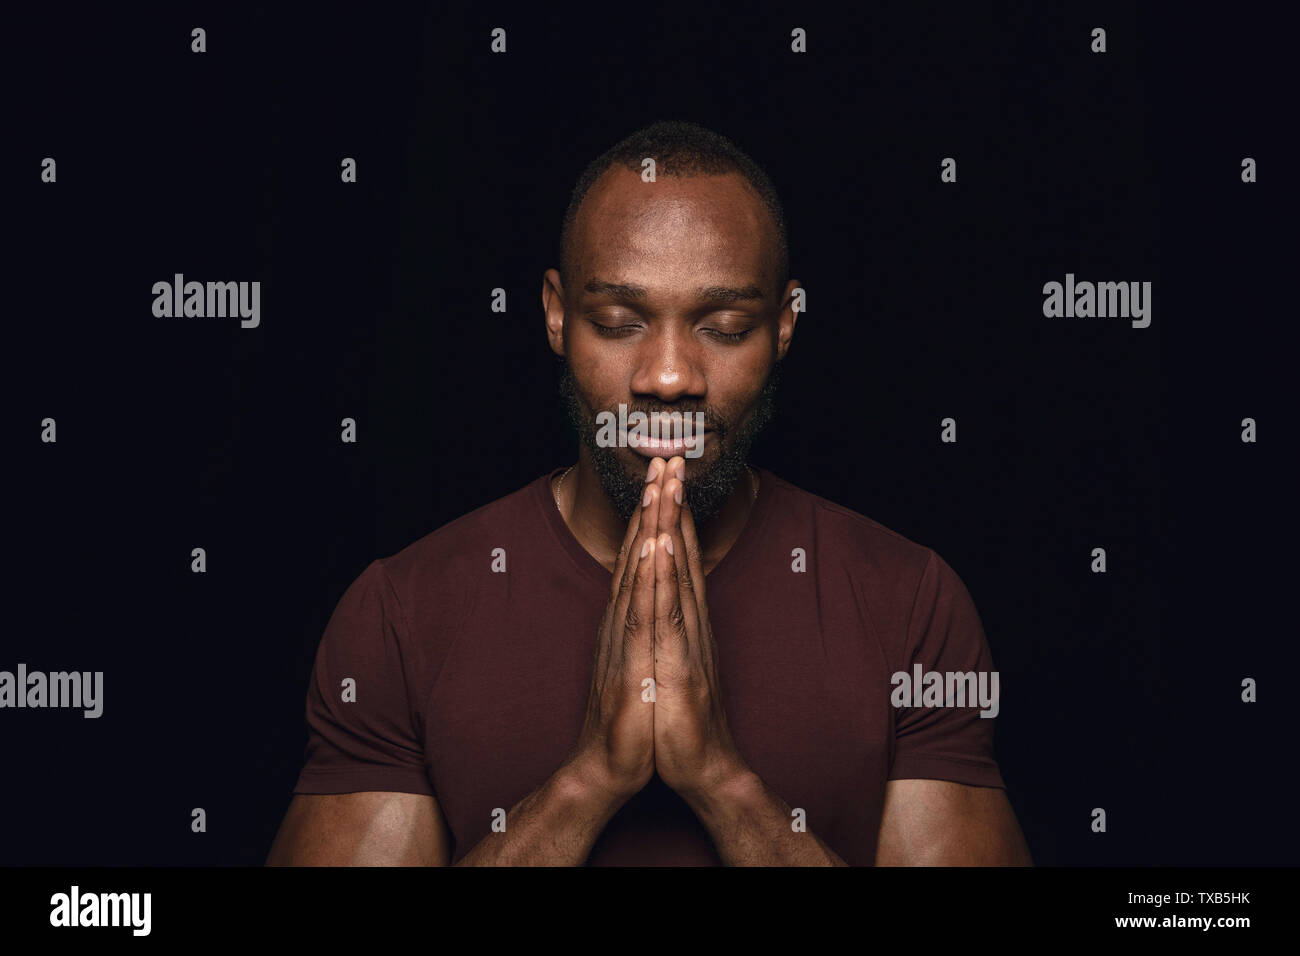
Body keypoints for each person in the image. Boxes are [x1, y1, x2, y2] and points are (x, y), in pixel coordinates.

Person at [267, 120, 1032, 866]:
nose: (669, 377)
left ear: (785, 325)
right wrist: (591, 779)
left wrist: (719, 781)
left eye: (726, 326)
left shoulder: (911, 605)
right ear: (557, 315)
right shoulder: (401, 613)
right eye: (619, 322)